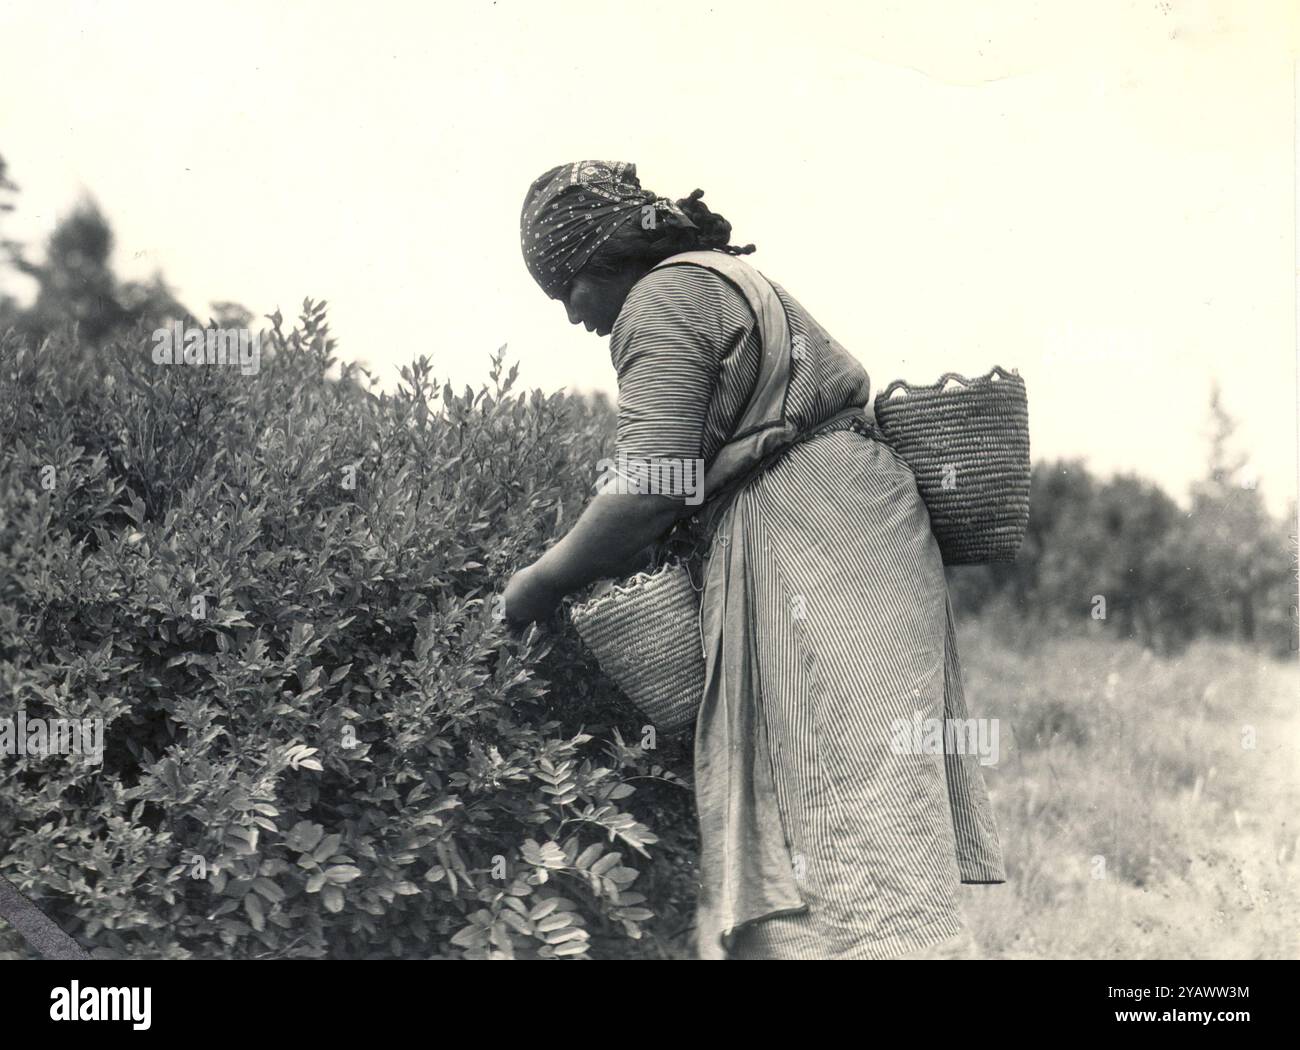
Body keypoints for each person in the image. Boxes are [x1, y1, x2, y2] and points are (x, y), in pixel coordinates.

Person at [505, 160, 1005, 959]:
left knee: (824, 808)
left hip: (809, 542)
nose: (571, 315)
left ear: (601, 260)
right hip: (859, 526)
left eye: (565, 289)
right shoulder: (724, 279)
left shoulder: (663, 298)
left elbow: (652, 486)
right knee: (871, 801)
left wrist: (536, 583)